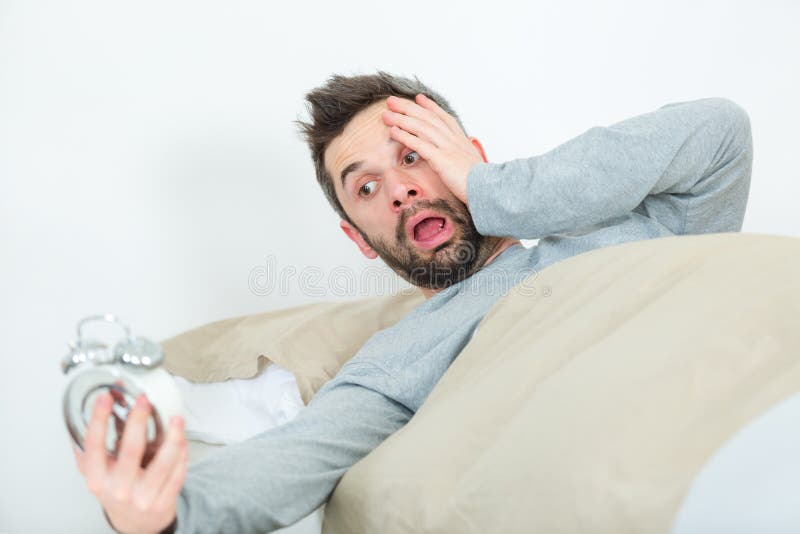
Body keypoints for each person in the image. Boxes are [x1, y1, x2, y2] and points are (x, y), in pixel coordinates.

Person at [71, 71, 753, 533]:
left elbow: (719, 133)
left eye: (413, 155)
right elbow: (305, 451)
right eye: (363, 189)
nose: (397, 191)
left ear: (467, 153)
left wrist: (495, 188)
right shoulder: (398, 356)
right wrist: (166, 516)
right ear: (359, 239)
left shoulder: (642, 235)